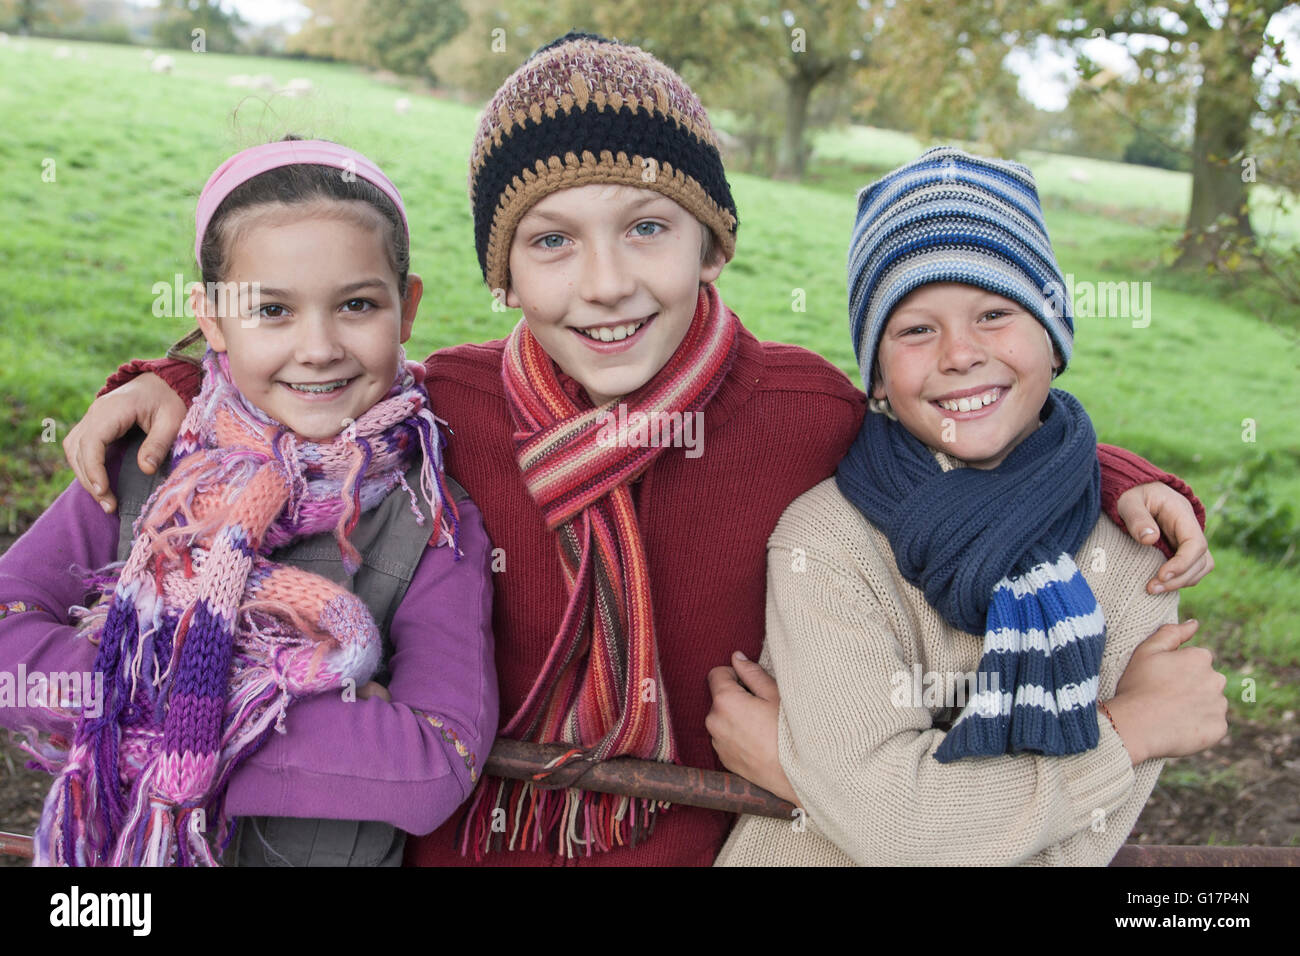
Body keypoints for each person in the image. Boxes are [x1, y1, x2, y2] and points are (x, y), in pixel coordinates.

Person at [59, 34, 1209, 866]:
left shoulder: (799, 410)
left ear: (713, 245)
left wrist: (1116, 477)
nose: (605, 284)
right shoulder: (443, 404)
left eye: (649, 228)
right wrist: (165, 377)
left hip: (701, 843)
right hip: (467, 843)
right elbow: (302, 376)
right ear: (500, 276)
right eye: (551, 241)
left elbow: (952, 419)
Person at [708, 147, 1228, 866]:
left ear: (1055, 339)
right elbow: (899, 828)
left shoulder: (1134, 559)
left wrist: (810, 782)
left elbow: (1068, 856)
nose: (959, 353)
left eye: (994, 312)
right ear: (879, 379)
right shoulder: (826, 540)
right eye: (915, 328)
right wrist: (1129, 731)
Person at [0, 138, 497, 866]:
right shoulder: (142, 469)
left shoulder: (432, 518)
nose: (319, 346)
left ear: (408, 305)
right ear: (210, 319)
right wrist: (320, 724)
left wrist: (142, 703)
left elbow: (436, 762)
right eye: (272, 310)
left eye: (357, 304)